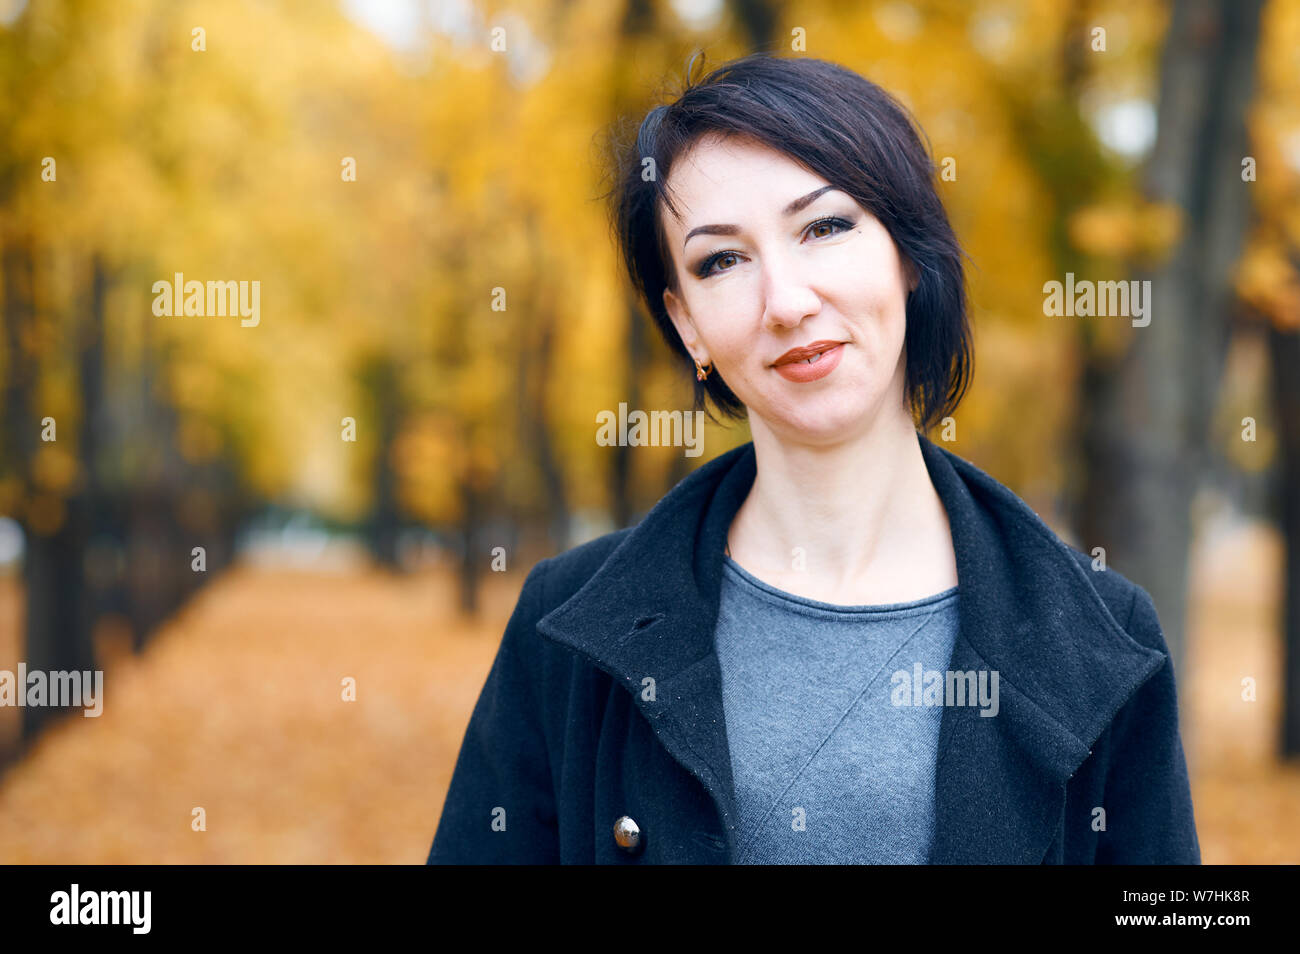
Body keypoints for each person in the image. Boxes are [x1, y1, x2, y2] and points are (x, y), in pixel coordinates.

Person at [427, 51, 1200, 864]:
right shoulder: (569, 625)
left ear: (906, 252)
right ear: (686, 323)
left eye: (824, 227)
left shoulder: (1103, 637)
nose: (787, 302)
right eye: (721, 260)